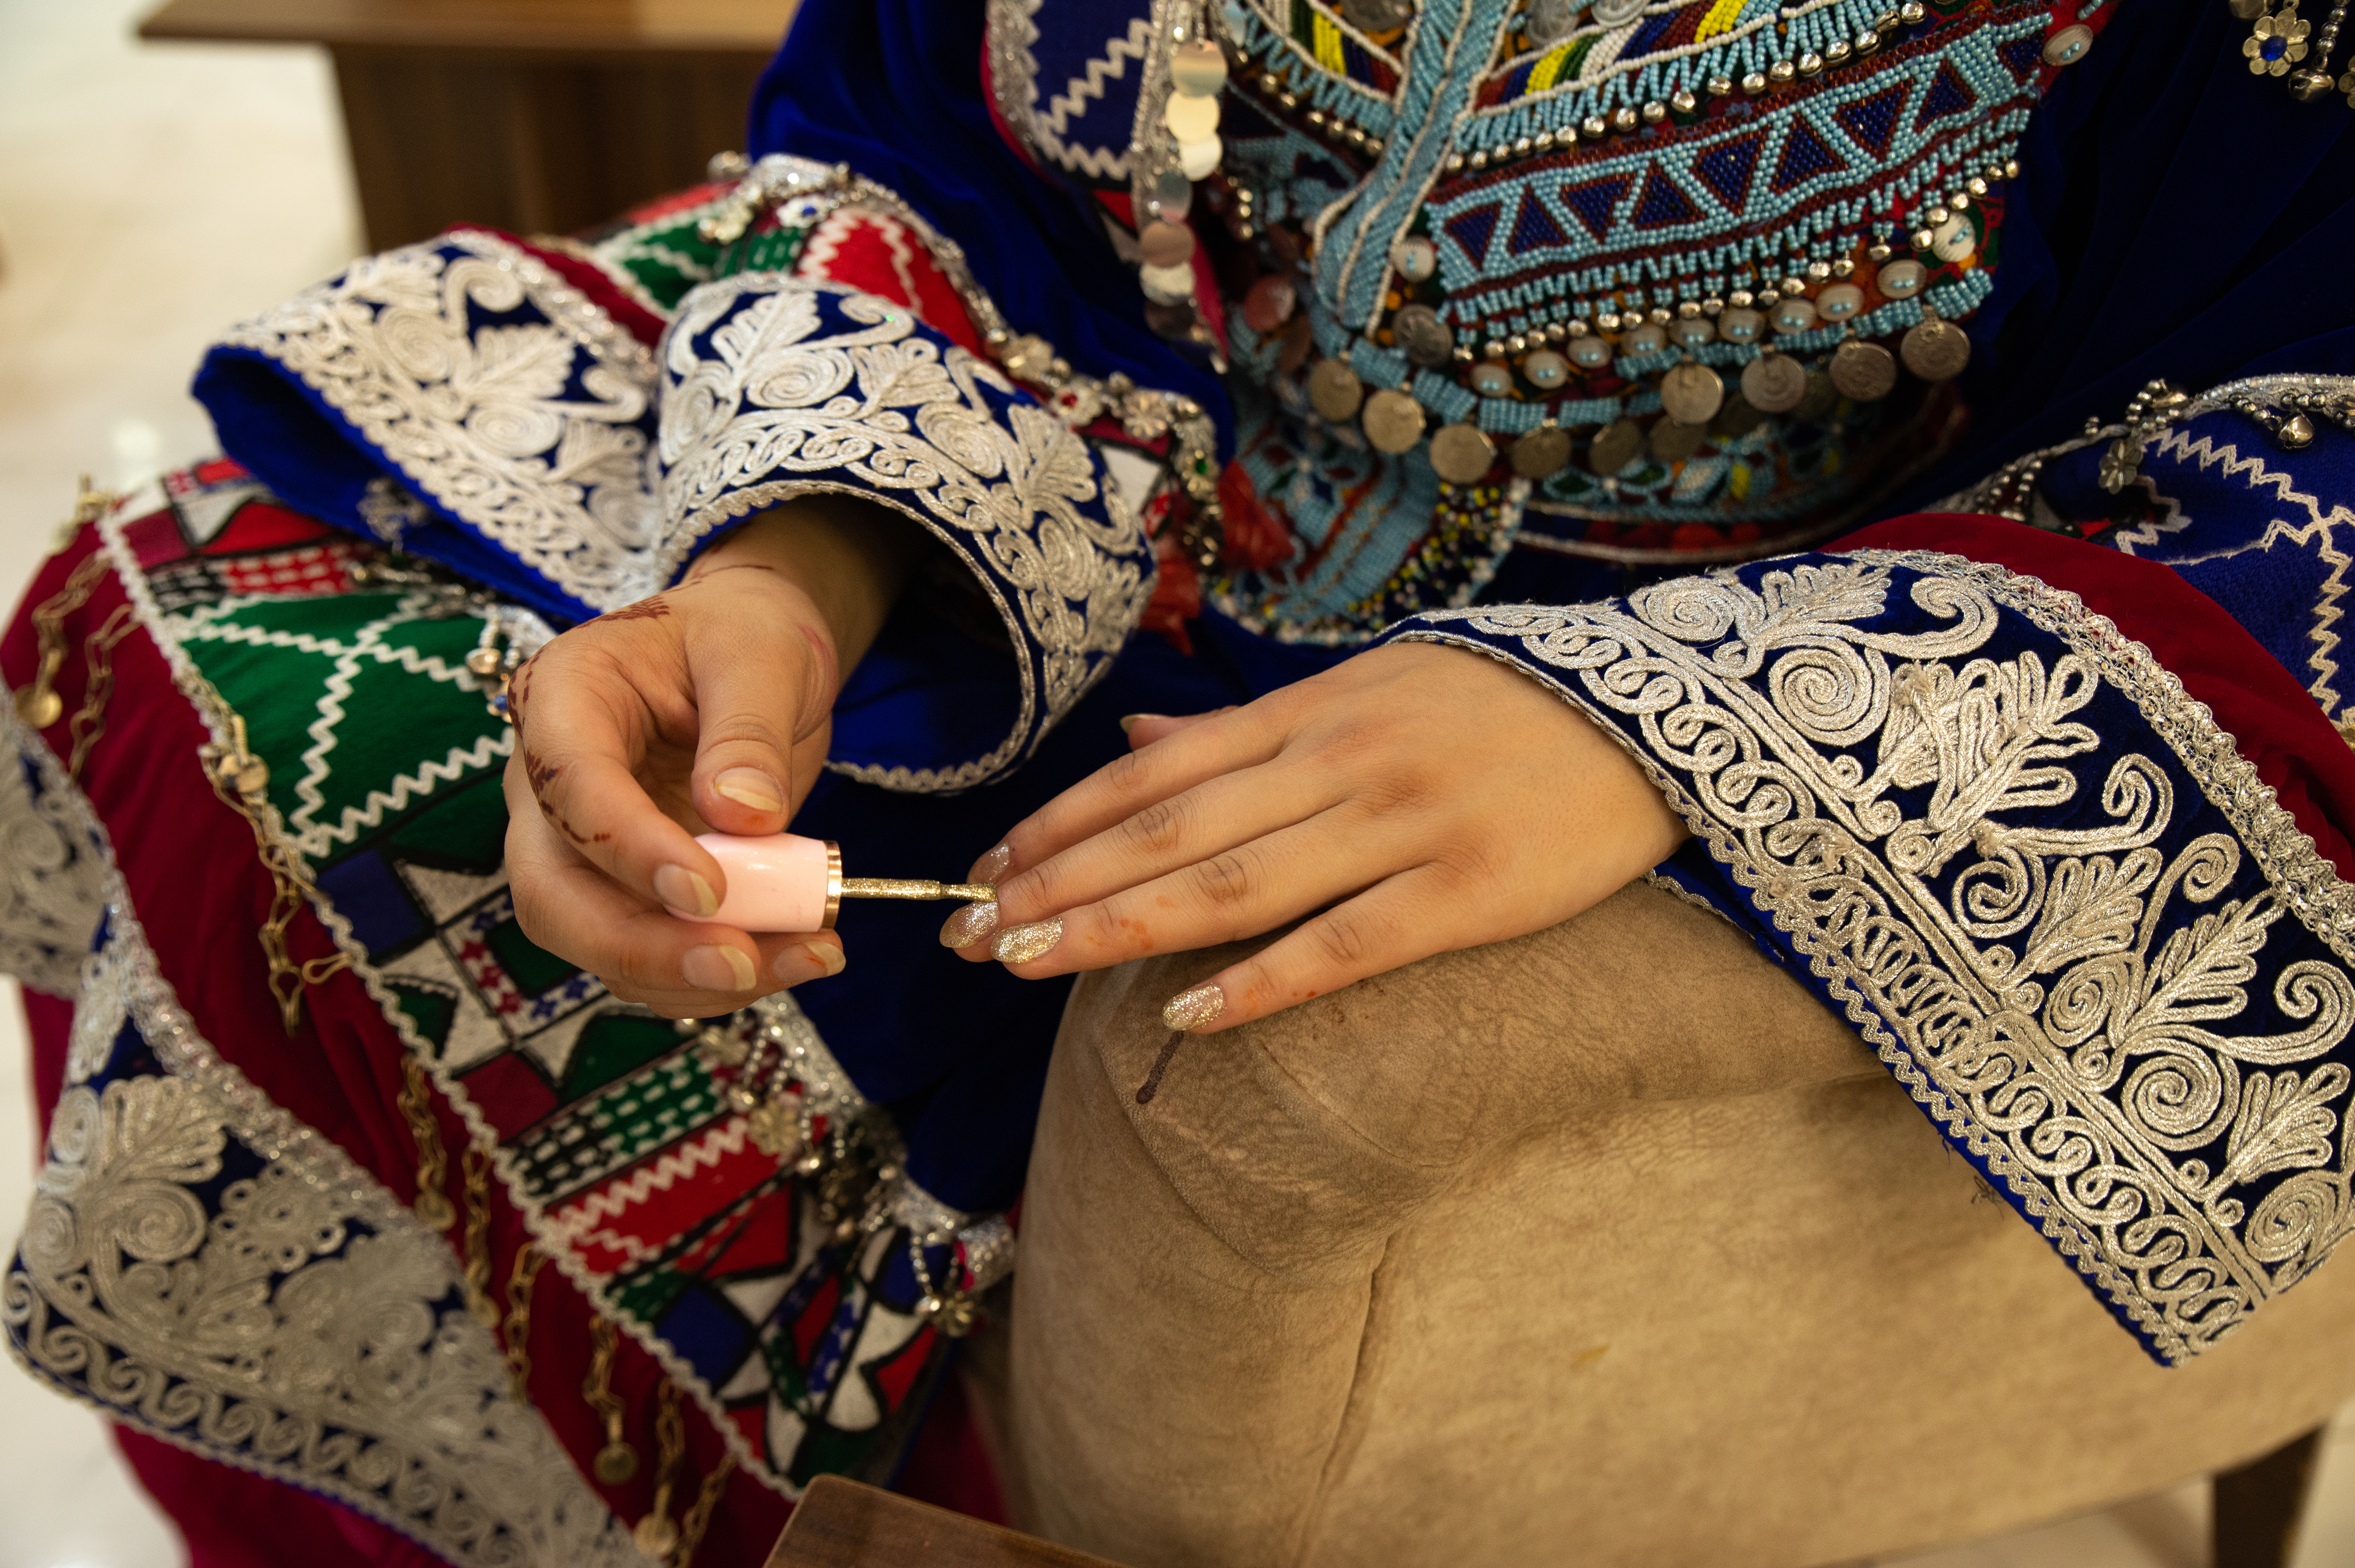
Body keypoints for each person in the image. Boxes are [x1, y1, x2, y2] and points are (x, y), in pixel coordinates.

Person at [6, 0, 2355, 1562]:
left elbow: (2307, 430)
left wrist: (1674, 723)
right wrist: (789, 571)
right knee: (196, 628)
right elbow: (941, 135)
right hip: (1044, 528)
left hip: (1719, 721)